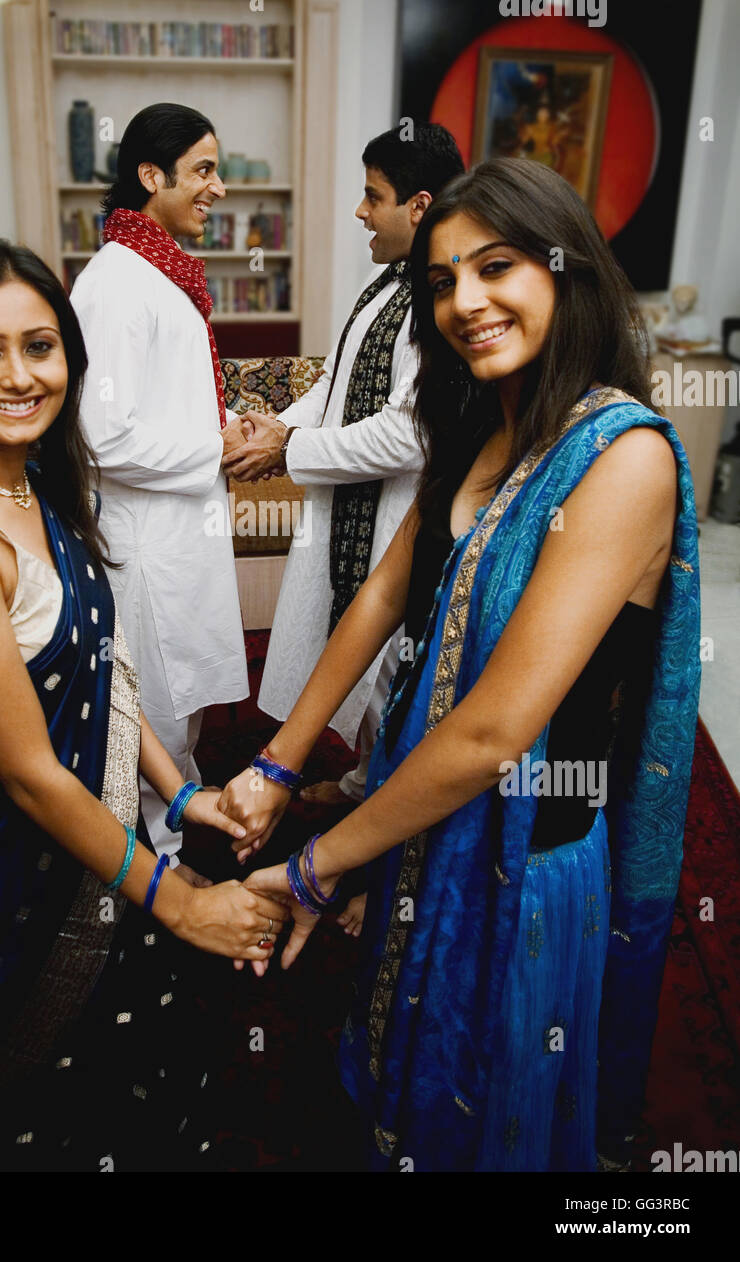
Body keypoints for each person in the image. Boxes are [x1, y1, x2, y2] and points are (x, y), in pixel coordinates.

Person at [219, 158, 701, 1171]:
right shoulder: (482, 421)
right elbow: (384, 595)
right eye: (441, 281)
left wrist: (314, 864)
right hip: (419, 812)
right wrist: (277, 762)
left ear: (566, 271)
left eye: (496, 267)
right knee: (407, 1068)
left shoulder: (624, 459)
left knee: (489, 1105)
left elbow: (491, 734)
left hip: (521, 852)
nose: (464, 303)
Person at [0, 237, 286, 1171]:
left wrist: (182, 795)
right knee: (21, 1102)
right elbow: (28, 773)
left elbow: (109, 669)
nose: (20, 376)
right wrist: (178, 902)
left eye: (41, 346)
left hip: (98, 841)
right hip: (4, 864)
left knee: (123, 1081)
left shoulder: (36, 485)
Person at [223, 123, 463, 937]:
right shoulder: (387, 281)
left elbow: (410, 433)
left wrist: (289, 449)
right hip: (347, 511)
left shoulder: (439, 295)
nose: (360, 212)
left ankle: (383, 871)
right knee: (362, 670)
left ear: (419, 206)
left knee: (397, 688)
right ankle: (362, 786)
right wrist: (277, 427)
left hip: (400, 520)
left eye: (372, 196)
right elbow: (336, 386)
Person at [70, 103, 249, 873]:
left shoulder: (161, 270)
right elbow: (103, 435)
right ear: (152, 174)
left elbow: (165, 402)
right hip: (146, 540)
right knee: (153, 703)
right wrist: (217, 447)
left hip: (182, 527)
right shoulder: (116, 282)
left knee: (183, 699)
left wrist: (229, 424)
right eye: (203, 170)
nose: (218, 188)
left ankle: (181, 811)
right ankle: (156, 865)